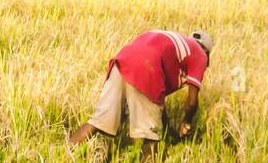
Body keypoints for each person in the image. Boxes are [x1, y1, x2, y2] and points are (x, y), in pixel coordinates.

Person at [67, 30, 213, 155]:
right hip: (147, 67)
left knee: (98, 122)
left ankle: (66, 153)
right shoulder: (200, 55)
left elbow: (156, 99)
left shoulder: (176, 43)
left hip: (122, 61)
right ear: (207, 55)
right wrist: (186, 122)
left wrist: (168, 130)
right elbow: (192, 102)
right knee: (151, 137)